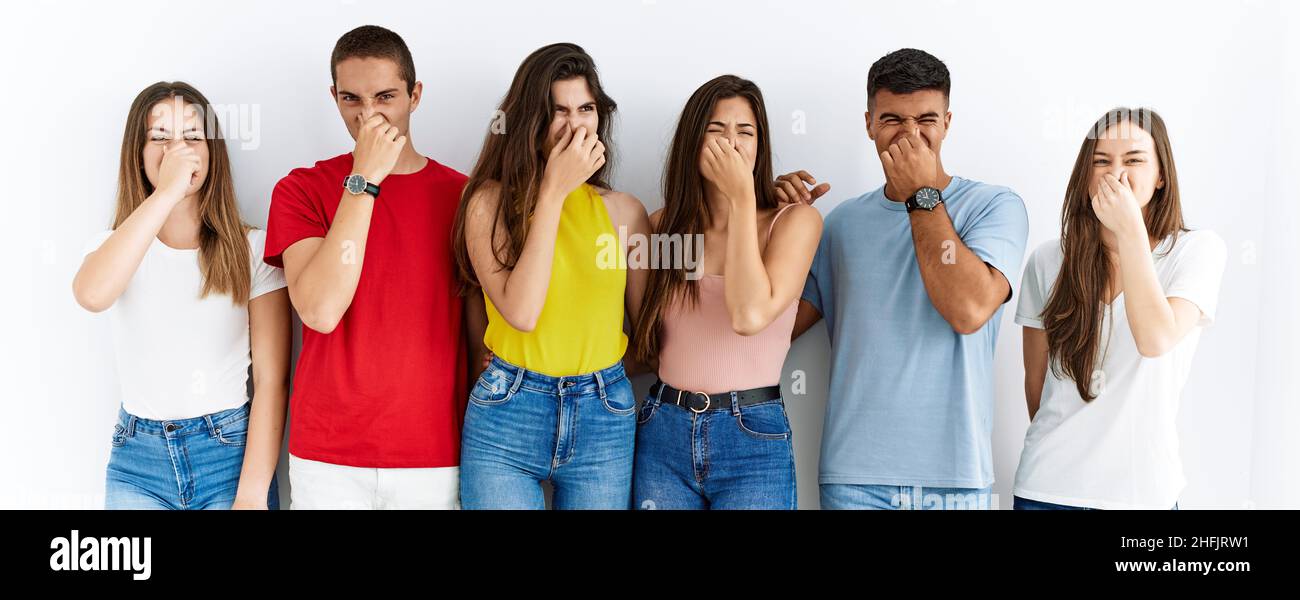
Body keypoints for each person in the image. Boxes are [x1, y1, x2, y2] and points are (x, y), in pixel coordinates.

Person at [787, 48, 1029, 510]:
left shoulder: (996, 207)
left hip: (955, 480)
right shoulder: (840, 223)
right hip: (854, 478)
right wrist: (770, 221)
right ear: (869, 123)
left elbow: (969, 310)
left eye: (927, 119)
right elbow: (774, 332)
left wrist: (921, 194)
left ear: (948, 122)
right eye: (893, 119)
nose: (911, 134)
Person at [264, 25, 476, 509]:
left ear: (415, 95)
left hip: (435, 455)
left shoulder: (464, 197)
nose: (368, 116)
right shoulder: (301, 189)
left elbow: (478, 330)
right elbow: (319, 309)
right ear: (334, 98)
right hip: (328, 457)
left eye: (385, 97)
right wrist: (364, 179)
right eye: (351, 100)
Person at [74, 82, 291, 510]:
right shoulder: (115, 245)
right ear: (137, 153)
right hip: (139, 461)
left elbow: (271, 381)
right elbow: (92, 295)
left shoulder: (252, 250)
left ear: (213, 153)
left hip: (227, 456)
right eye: (160, 138)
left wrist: (250, 495)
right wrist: (168, 191)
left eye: (192, 137)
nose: (179, 150)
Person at [453, 42, 651, 509]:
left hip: (603, 417)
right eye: (557, 110)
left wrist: (595, 379)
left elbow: (647, 344)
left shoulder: (625, 213)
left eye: (585, 108)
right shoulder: (487, 202)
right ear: (530, 120)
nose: (574, 123)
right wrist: (555, 189)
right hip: (507, 413)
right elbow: (521, 311)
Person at [1013, 108, 1226, 510]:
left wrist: (1130, 229)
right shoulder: (1047, 260)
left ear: (1161, 175)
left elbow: (1155, 337)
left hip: (1144, 495)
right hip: (1046, 490)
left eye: (1133, 160)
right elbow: (1035, 384)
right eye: (1101, 161)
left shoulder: (1196, 252)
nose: (1116, 173)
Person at [630, 75, 822, 510]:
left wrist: (740, 200)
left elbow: (748, 317)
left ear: (761, 146)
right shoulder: (661, 230)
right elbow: (641, 345)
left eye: (745, 132)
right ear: (691, 142)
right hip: (663, 428)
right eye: (715, 131)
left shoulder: (793, 223)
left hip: (753, 435)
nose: (731, 145)